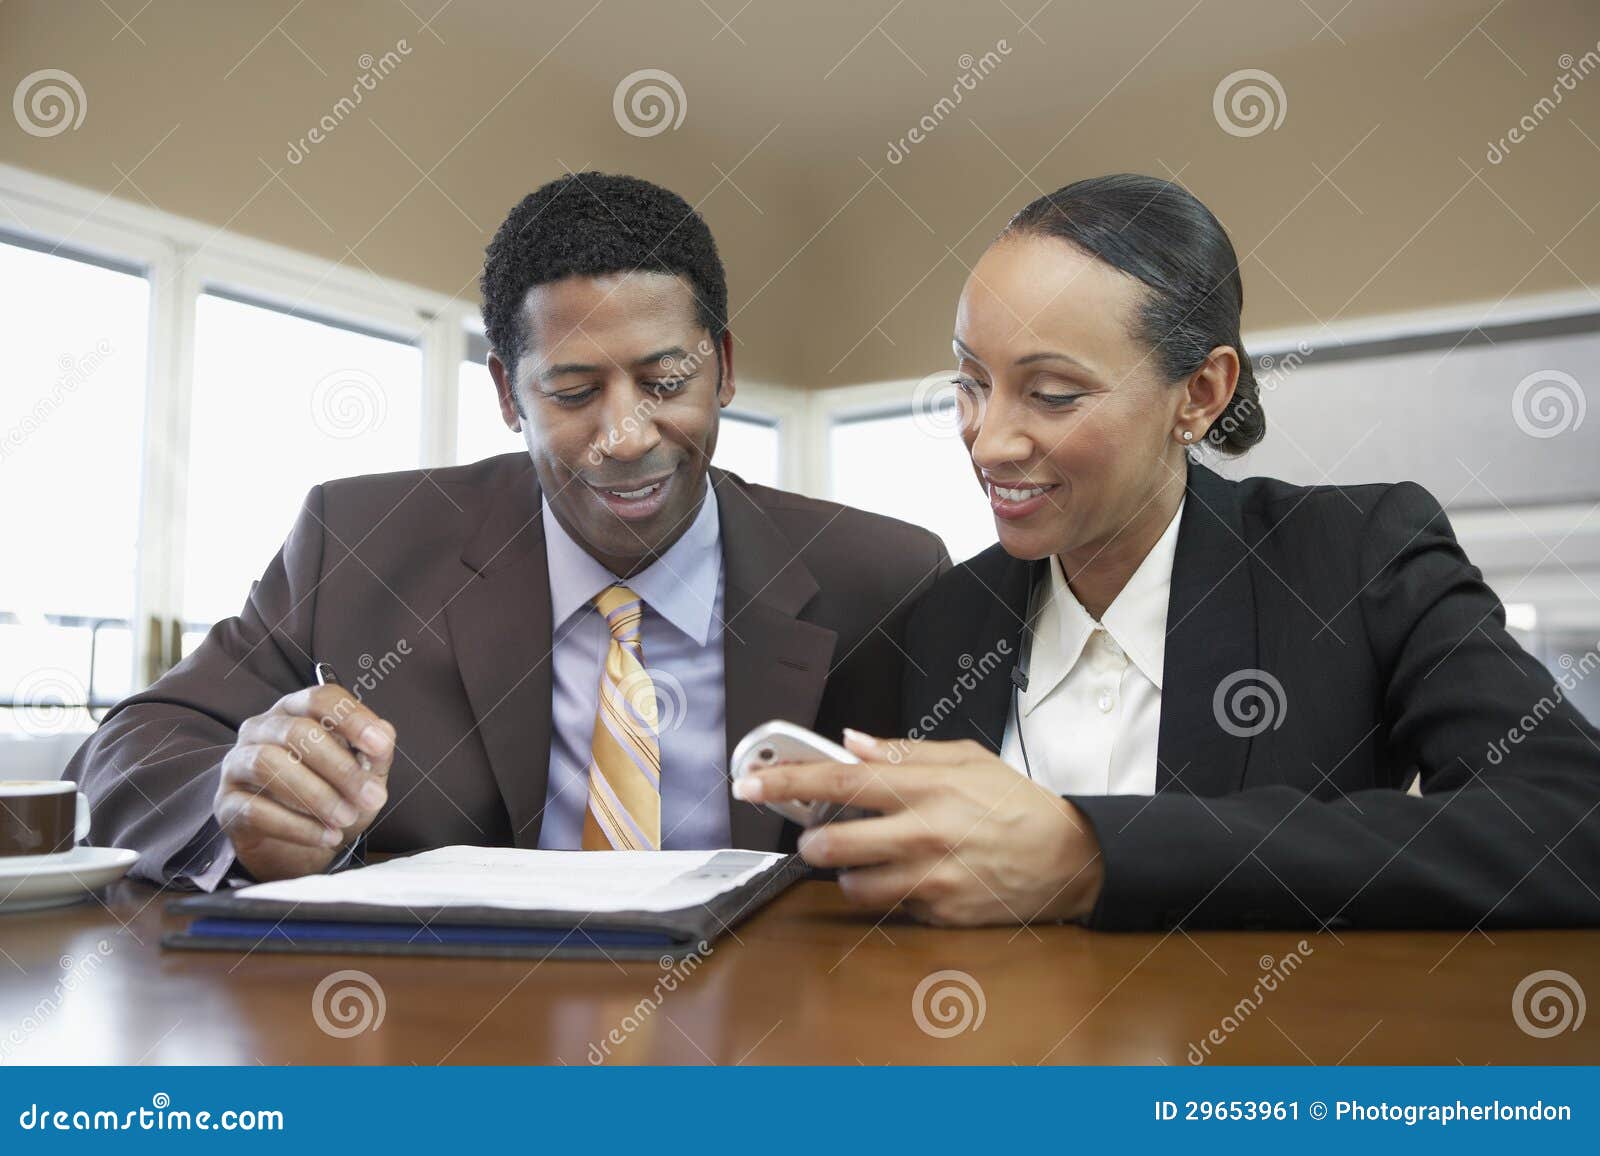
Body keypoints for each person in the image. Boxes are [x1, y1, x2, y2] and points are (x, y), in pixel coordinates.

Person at [739, 173, 1600, 930]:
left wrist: (1093, 855)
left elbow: (1569, 826)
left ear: (1200, 394)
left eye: (1050, 393)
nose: (990, 440)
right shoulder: (934, 622)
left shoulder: (1357, 560)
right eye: (971, 382)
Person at [68, 172, 948, 887]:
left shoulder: (887, 575)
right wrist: (243, 807)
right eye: (571, 394)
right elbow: (127, 752)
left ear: (721, 367)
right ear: (503, 393)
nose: (625, 436)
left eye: (666, 380)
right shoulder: (361, 541)